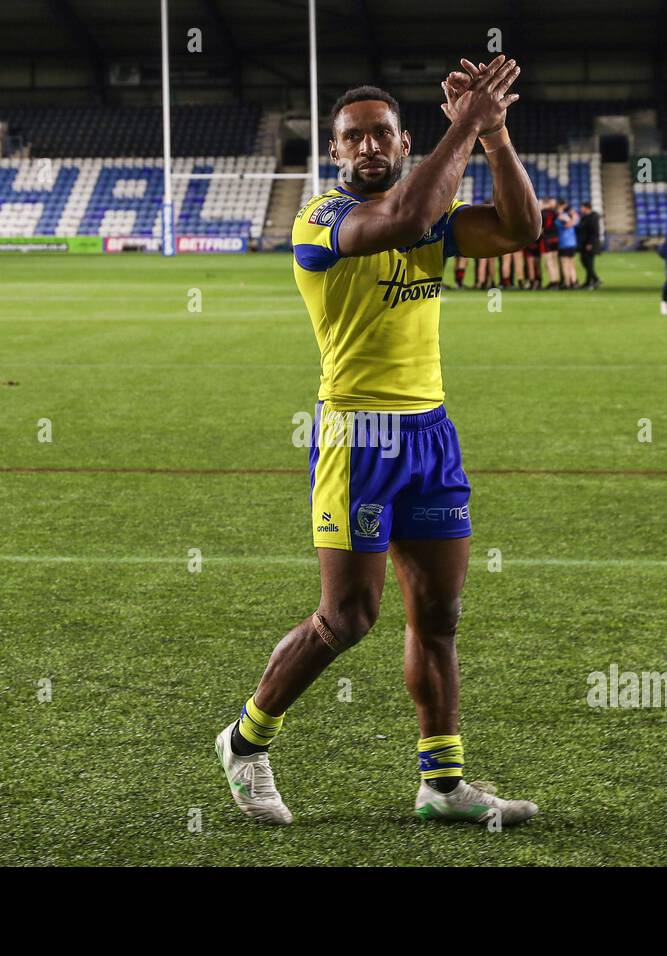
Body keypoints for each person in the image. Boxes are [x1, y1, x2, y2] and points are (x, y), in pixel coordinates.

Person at [216, 57, 541, 828]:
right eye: (354, 137)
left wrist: (494, 137)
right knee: (348, 617)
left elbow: (523, 229)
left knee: (439, 615)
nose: (369, 146)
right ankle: (246, 739)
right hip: (356, 439)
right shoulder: (321, 220)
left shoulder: (431, 210)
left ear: (403, 140)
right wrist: (465, 125)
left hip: (431, 433)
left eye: (383, 134)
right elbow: (397, 222)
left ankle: (442, 783)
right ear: (336, 152)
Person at [576, 200, 602, 289]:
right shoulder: (584, 217)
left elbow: (595, 231)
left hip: (591, 243)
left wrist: (590, 243)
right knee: (585, 262)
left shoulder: (594, 216)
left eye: (582, 207)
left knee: (589, 263)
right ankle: (589, 281)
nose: (580, 209)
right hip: (583, 244)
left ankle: (594, 280)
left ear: (586, 207)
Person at [556, 200, 579, 288]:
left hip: (564, 244)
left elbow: (562, 221)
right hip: (572, 243)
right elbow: (575, 219)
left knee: (565, 264)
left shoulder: (561, 218)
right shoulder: (572, 218)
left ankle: (567, 283)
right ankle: (574, 281)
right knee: (571, 263)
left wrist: (560, 211)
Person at [539, 197, 560, 288]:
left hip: (546, 239)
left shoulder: (542, 213)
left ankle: (553, 282)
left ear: (543, 203)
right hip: (555, 238)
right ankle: (556, 280)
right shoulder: (554, 212)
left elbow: (541, 229)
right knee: (554, 261)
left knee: (549, 262)